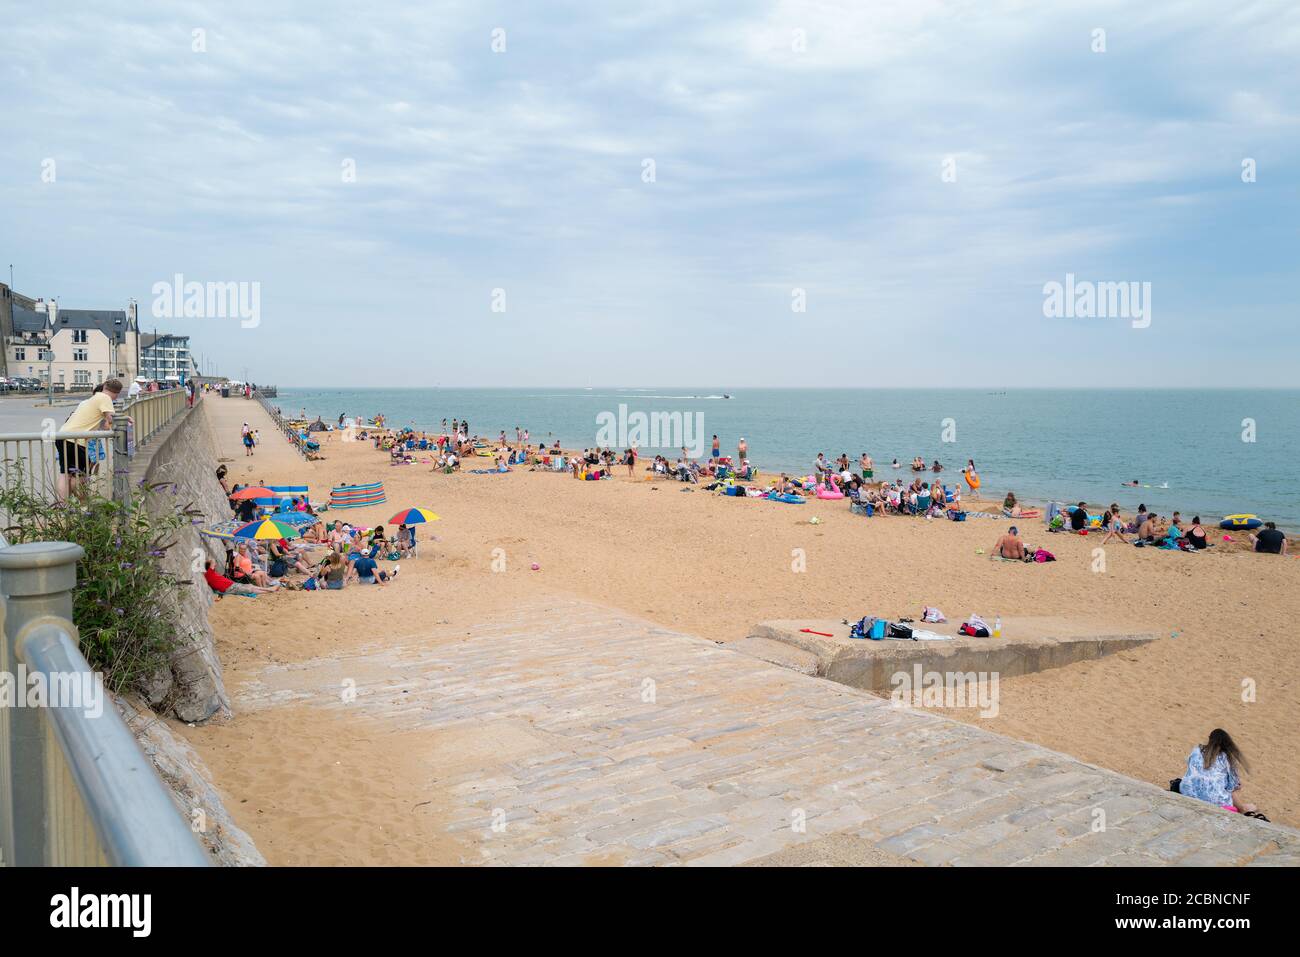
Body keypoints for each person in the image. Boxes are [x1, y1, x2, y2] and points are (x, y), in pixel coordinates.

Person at [56, 377, 130, 501]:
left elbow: (104, 425)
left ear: (104, 387)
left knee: (65, 474)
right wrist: (126, 418)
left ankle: (62, 505)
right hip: (76, 440)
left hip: (62, 436)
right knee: (80, 476)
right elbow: (112, 419)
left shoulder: (93, 399)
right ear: (117, 394)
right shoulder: (105, 398)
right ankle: (84, 504)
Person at [1177, 729, 1255, 813]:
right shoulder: (1228, 759)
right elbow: (1231, 788)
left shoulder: (1197, 750)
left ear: (1209, 739)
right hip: (1215, 802)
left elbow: (1192, 768)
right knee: (1231, 790)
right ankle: (1243, 809)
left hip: (1187, 792)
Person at [203, 559, 276, 597]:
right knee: (250, 589)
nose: (215, 566)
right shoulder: (209, 573)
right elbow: (212, 561)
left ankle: (268, 590)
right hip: (230, 587)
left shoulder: (211, 574)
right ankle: (269, 590)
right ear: (209, 567)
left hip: (231, 585)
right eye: (214, 566)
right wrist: (208, 561)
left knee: (250, 586)